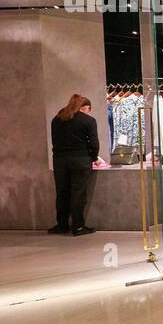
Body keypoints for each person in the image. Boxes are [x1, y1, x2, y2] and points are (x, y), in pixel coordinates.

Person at [49, 93, 99, 236]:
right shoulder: (88, 121)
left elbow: (54, 141)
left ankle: (62, 225)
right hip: (81, 160)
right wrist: (94, 157)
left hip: (59, 160)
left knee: (62, 192)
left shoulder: (57, 119)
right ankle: (77, 226)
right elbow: (94, 143)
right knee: (78, 193)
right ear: (84, 107)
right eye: (89, 108)